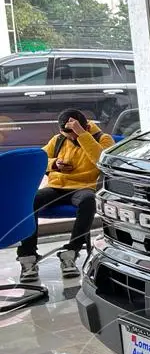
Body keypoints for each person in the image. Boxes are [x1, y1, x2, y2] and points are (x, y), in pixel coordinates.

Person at [17, 109, 114, 282]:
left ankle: (71, 252)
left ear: (83, 127)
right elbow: (39, 159)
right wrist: (55, 164)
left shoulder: (103, 139)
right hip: (56, 187)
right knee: (28, 201)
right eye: (67, 135)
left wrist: (82, 135)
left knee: (88, 201)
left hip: (83, 187)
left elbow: (101, 161)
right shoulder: (58, 140)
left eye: (74, 134)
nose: (71, 138)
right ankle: (28, 256)